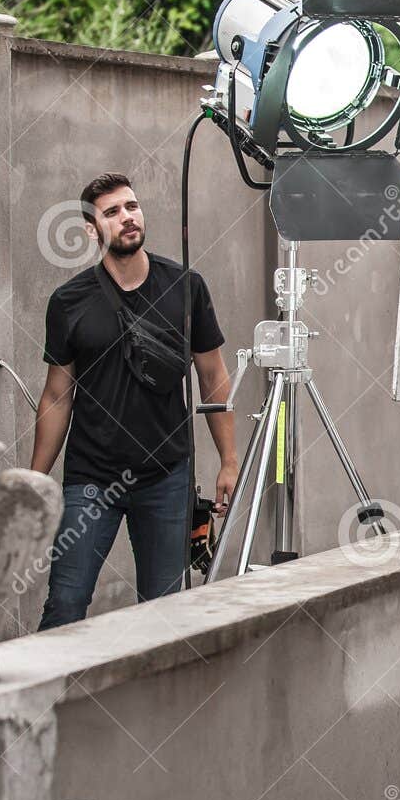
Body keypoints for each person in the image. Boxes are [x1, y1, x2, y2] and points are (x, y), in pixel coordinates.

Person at [30, 172, 239, 629]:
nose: (127, 217)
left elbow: (213, 376)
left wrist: (228, 459)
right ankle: (52, 680)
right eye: (112, 212)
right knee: (65, 604)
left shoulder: (186, 286)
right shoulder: (69, 302)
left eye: (132, 206)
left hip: (166, 475)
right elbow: (57, 396)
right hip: (91, 478)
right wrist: (34, 481)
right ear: (91, 230)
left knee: (164, 616)